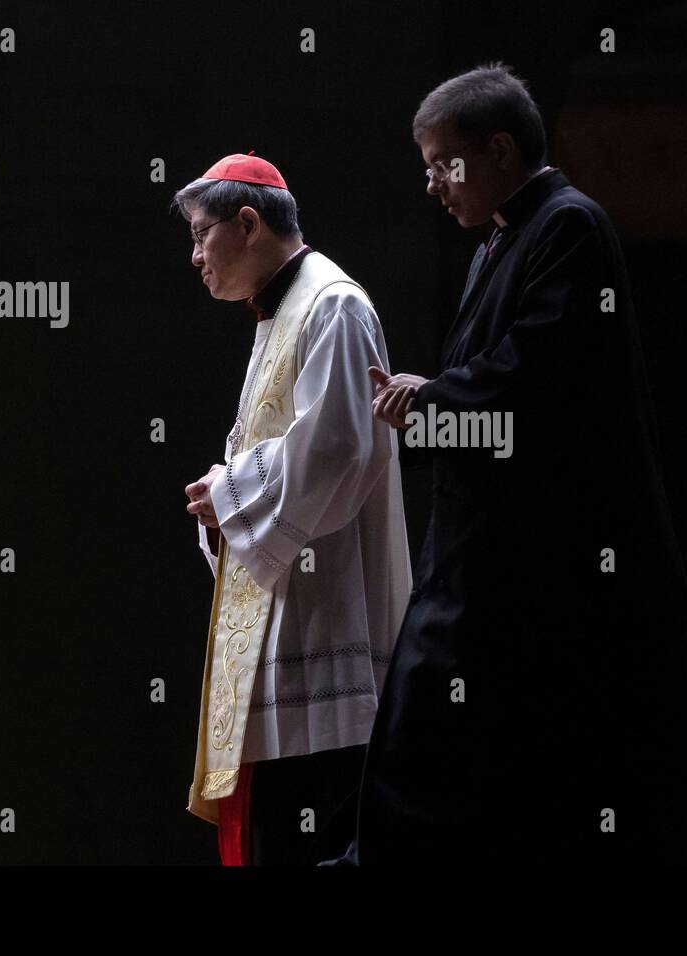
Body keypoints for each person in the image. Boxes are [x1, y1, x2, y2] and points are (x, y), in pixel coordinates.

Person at [343, 64, 687, 864]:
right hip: (493, 551)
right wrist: (432, 394)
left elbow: (536, 379)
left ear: (500, 149)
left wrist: (434, 400)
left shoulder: (567, 227)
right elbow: (494, 377)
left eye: (443, 164)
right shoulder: (501, 242)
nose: (432, 187)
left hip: (554, 567)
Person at [175, 152, 411, 865]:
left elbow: (340, 448)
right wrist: (228, 498)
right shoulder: (281, 313)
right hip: (286, 627)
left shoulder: (331, 303)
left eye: (200, 234)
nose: (195, 257)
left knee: (315, 837)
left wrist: (229, 492)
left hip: (326, 629)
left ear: (247, 222)